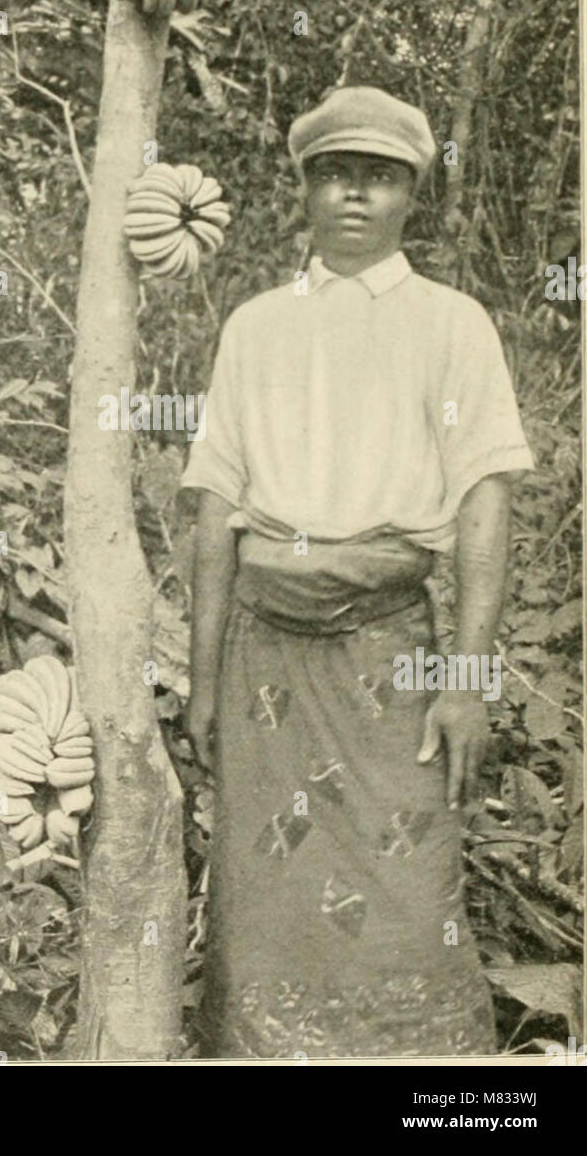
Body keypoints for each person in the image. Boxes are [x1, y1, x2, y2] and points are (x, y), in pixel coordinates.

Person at [180, 85, 535, 1059]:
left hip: (394, 657)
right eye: (335, 174)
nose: (353, 196)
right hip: (266, 666)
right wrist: (203, 681)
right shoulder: (257, 326)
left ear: (411, 195)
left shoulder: (453, 325)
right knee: (265, 890)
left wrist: (465, 682)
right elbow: (217, 511)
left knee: (410, 885)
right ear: (304, 185)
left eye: (378, 178)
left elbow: (484, 505)